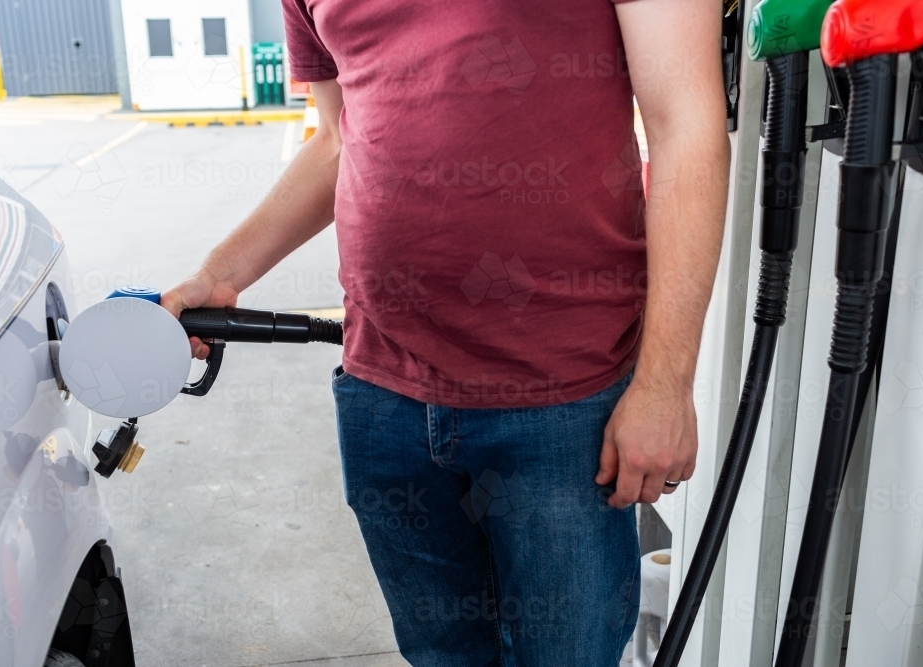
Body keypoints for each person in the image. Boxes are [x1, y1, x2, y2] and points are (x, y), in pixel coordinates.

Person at [162, 0, 729, 663]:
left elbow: (684, 124)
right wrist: (220, 275)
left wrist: (665, 383)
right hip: (383, 394)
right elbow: (338, 139)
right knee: (443, 655)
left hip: (563, 400)